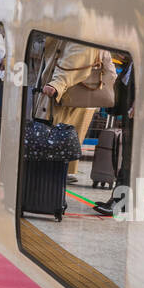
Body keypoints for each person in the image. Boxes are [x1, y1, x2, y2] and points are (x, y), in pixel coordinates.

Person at [41, 41, 117, 184]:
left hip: (66, 93)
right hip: (88, 96)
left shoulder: (81, 36)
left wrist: (57, 83)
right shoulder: (100, 36)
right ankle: (68, 169)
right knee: (76, 134)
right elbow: (110, 68)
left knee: (58, 130)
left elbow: (73, 63)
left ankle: (55, 169)